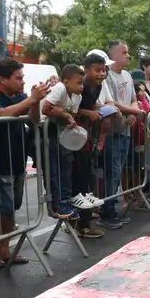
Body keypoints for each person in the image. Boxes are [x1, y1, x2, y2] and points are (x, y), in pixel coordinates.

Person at [0, 58, 49, 265]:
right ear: (3, 79)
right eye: (18, 78)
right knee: (3, 209)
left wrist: (34, 101)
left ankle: (4, 248)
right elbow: (1, 114)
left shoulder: (21, 96)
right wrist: (31, 99)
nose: (22, 81)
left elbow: (33, 119)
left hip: (17, 159)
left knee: (12, 207)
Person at [98, 40, 143, 228]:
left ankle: (111, 211)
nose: (128, 56)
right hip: (111, 132)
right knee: (112, 173)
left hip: (125, 131)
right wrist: (134, 111)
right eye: (124, 52)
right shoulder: (107, 76)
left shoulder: (127, 75)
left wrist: (133, 111)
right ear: (114, 55)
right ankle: (106, 212)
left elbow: (133, 99)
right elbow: (111, 102)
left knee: (118, 172)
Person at [69, 52, 107, 238]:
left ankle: (83, 221)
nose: (102, 74)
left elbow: (90, 106)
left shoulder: (98, 87)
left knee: (88, 175)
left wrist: (101, 109)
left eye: (104, 70)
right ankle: (79, 224)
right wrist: (89, 113)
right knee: (79, 178)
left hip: (88, 136)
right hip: (74, 137)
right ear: (87, 71)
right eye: (97, 70)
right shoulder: (80, 86)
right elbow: (72, 109)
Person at [42, 64, 85, 220]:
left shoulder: (78, 97)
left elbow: (72, 115)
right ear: (66, 82)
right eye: (78, 83)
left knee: (66, 167)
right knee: (53, 169)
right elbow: (46, 109)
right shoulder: (59, 88)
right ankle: (56, 203)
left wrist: (65, 115)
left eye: (82, 83)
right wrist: (65, 114)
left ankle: (66, 202)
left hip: (62, 131)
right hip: (47, 131)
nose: (82, 86)